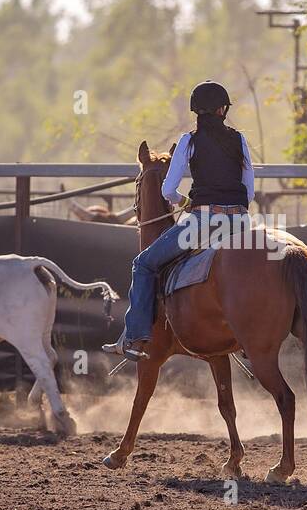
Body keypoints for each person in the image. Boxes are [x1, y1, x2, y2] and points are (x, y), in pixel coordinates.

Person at [102, 80, 254, 360]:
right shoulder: (240, 139)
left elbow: (167, 191)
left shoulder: (189, 141)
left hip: (201, 223)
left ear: (197, 110)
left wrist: (185, 202)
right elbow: (250, 191)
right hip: (240, 225)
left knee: (143, 264)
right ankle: (249, 338)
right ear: (222, 110)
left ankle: (135, 338)